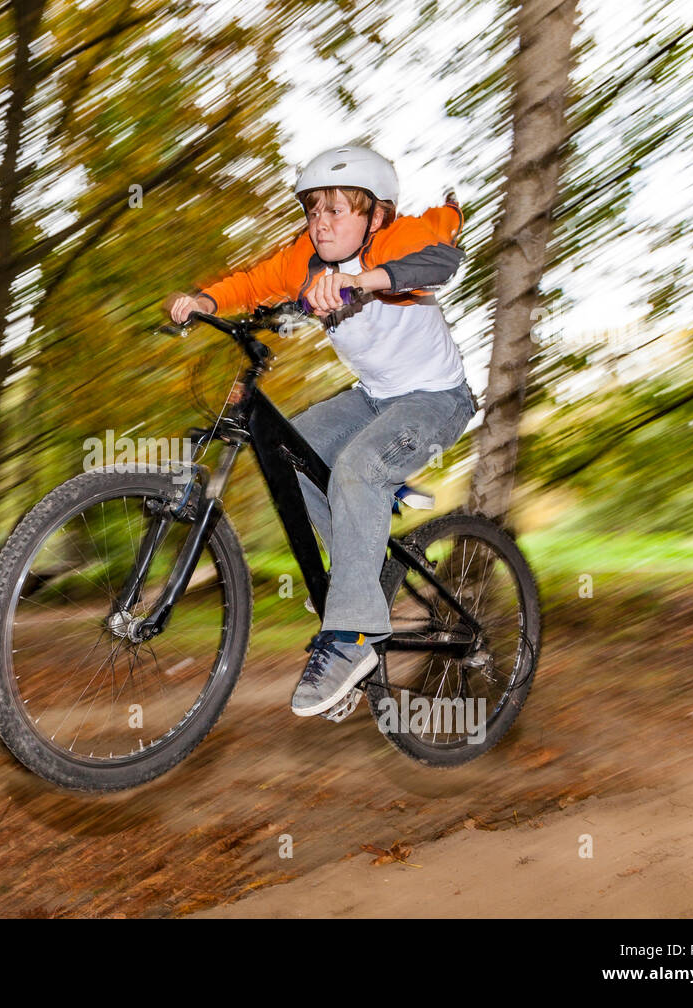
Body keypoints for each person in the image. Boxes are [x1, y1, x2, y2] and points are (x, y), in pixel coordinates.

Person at [166, 144, 477, 718]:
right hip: (374, 399)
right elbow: (254, 282)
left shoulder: (398, 238)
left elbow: (442, 256)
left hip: (437, 400)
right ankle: (357, 586)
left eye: (338, 211)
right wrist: (204, 300)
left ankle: (353, 635)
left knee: (359, 468)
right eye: (314, 211)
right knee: (286, 448)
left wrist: (370, 279)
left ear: (375, 215)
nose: (321, 223)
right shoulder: (306, 259)